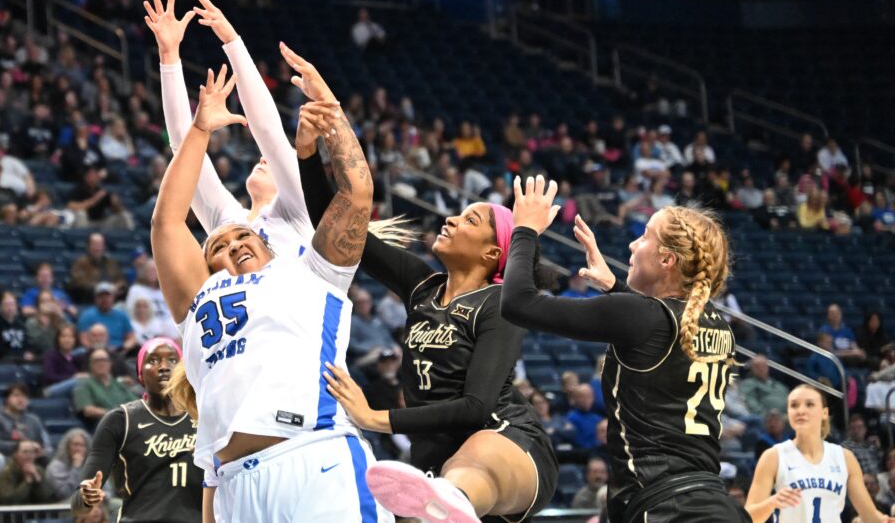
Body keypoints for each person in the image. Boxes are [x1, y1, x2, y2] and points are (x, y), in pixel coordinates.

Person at [299, 86, 557, 520]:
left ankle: (449, 498)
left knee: (465, 468)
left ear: (493, 254)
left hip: (503, 442)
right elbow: (336, 226)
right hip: (431, 463)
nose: (452, 218)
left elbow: (476, 407)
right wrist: (308, 153)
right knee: (438, 489)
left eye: (470, 219)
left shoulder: (499, 303)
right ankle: (445, 498)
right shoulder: (421, 285)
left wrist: (377, 418)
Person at [151, 56, 390, 522]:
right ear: (207, 267)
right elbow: (166, 220)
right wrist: (199, 130)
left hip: (314, 456)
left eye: (246, 236)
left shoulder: (309, 270)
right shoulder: (197, 302)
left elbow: (357, 193)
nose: (237, 241)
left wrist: (330, 111)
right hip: (234, 482)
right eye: (220, 243)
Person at [500, 176, 747, 523]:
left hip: (665, 508)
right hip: (714, 504)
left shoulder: (641, 316)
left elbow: (518, 303)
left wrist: (523, 229)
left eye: (644, 236)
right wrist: (614, 286)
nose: (632, 245)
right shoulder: (717, 325)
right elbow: (655, 333)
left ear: (667, 260)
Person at [153, 0, 313, 260]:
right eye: (264, 159)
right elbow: (183, 146)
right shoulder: (226, 222)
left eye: (273, 161)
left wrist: (231, 40)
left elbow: (268, 132)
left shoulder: (301, 212)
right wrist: (169, 56)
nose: (264, 159)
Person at [73, 339, 200, 522]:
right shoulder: (119, 420)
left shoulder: (205, 417)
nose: (164, 367)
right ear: (140, 372)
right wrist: (85, 498)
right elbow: (77, 506)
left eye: (172, 360)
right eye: (153, 360)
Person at [745, 385, 895, 523]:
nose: (800, 410)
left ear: (824, 413)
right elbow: (748, 517)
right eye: (794, 405)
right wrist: (772, 502)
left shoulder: (844, 457)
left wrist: (886, 520)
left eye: (809, 404)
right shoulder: (773, 456)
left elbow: (870, 516)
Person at [72, 347, 137, 432]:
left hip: (128, 424)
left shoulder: (118, 384)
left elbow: (136, 404)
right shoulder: (84, 385)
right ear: (90, 364)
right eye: (97, 361)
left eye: (104, 360)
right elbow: (88, 410)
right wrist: (115, 415)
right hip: (103, 427)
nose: (101, 364)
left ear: (110, 363)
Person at [0, 383, 50, 458]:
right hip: (5, 460)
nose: (21, 400)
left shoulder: (34, 420)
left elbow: (47, 446)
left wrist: (41, 451)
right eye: (16, 395)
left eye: (25, 396)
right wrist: (17, 446)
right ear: (6, 399)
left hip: (32, 460)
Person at [0, 440, 52, 505]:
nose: (29, 455)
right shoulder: (7, 473)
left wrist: (38, 480)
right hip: (1, 513)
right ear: (16, 455)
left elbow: (50, 499)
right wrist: (27, 482)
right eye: (25, 452)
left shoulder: (39, 470)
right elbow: (10, 502)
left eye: (31, 452)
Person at [76, 283, 133, 350]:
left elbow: (131, 338)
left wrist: (124, 347)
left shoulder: (122, 315)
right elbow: (83, 340)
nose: (104, 299)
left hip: (118, 350)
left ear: (113, 298)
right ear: (96, 299)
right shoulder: (86, 316)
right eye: (101, 296)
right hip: (94, 350)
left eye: (107, 296)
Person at [69, 233, 125, 300]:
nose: (98, 248)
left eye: (100, 245)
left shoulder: (111, 263)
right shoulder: (79, 263)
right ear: (88, 247)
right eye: (95, 245)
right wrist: (102, 288)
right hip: (89, 300)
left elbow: (121, 280)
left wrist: (117, 286)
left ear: (104, 247)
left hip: (112, 300)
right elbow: (79, 283)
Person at [0, 292, 33, 362]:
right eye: (6, 305)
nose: (10, 308)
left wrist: (29, 352)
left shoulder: (21, 325)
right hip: (2, 362)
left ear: (16, 306)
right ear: (0, 306)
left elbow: (28, 344)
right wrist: (20, 355)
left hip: (21, 361)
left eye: (12, 304)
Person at [46, 428, 89, 501]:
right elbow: (65, 493)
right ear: (67, 447)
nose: (78, 448)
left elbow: (107, 490)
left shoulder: (91, 464)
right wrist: (76, 468)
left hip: (93, 502)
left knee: (115, 504)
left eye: (82, 445)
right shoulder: (55, 467)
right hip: (64, 504)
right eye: (75, 445)